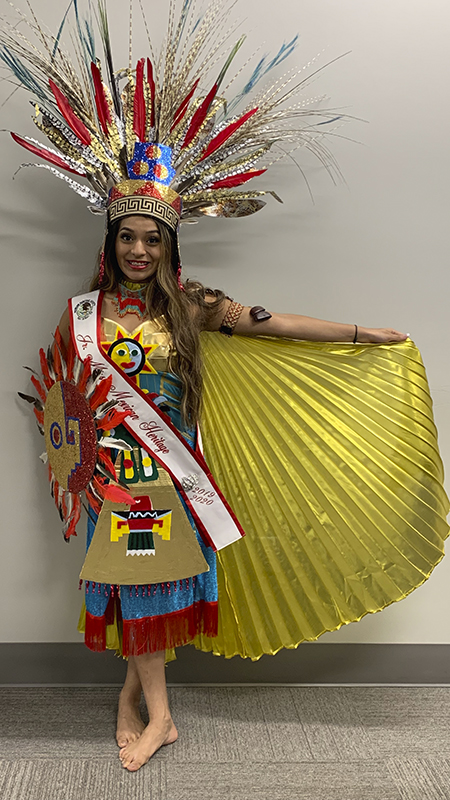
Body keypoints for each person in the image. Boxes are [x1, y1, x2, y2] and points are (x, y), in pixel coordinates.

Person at [5, 0, 449, 775]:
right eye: (127, 236)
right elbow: (62, 404)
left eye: (153, 238)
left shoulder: (195, 306)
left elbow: (273, 323)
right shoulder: (81, 315)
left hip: (171, 482)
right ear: (109, 242)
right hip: (111, 484)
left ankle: (160, 716)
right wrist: (70, 465)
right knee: (128, 596)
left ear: (168, 245)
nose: (139, 248)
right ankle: (135, 700)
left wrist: (357, 333)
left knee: (149, 595)